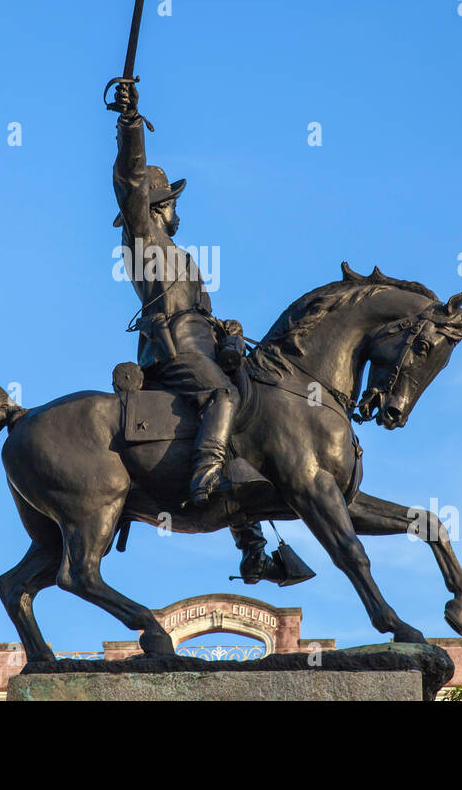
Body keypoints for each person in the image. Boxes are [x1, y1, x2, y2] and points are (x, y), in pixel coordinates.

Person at [109, 80, 274, 581]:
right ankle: (206, 479)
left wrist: (227, 331)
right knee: (222, 396)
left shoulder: (185, 259)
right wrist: (131, 125)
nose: (178, 209)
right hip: (173, 353)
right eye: (172, 201)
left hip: (202, 348)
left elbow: (200, 316)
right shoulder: (145, 240)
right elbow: (130, 182)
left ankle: (252, 545)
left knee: (252, 416)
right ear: (159, 207)